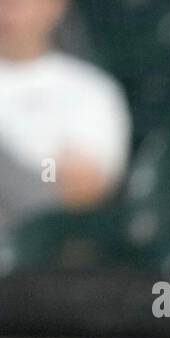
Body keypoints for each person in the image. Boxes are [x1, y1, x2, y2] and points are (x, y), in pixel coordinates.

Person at [0, 0, 131, 231]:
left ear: (54, 6)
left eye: (17, 3)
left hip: (39, 242)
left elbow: (83, 191)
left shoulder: (89, 88)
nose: (5, 11)